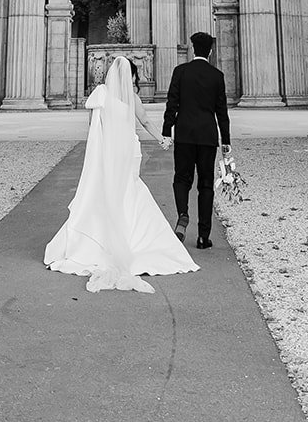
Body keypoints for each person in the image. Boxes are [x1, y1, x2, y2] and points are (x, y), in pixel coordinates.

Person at [44, 55, 198, 293]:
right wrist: (163, 139)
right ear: (131, 77)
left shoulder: (101, 96)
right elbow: (145, 121)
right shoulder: (132, 98)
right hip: (128, 152)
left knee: (107, 192)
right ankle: (140, 241)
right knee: (130, 191)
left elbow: (93, 128)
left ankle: (97, 242)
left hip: (108, 153)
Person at [162, 31, 232, 250]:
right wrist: (226, 141)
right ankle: (203, 236)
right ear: (210, 51)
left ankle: (183, 214)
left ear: (193, 49)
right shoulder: (217, 76)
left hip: (184, 134)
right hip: (207, 135)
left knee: (182, 178)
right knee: (205, 184)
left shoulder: (181, 72)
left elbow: (171, 104)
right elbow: (222, 112)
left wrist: (166, 131)